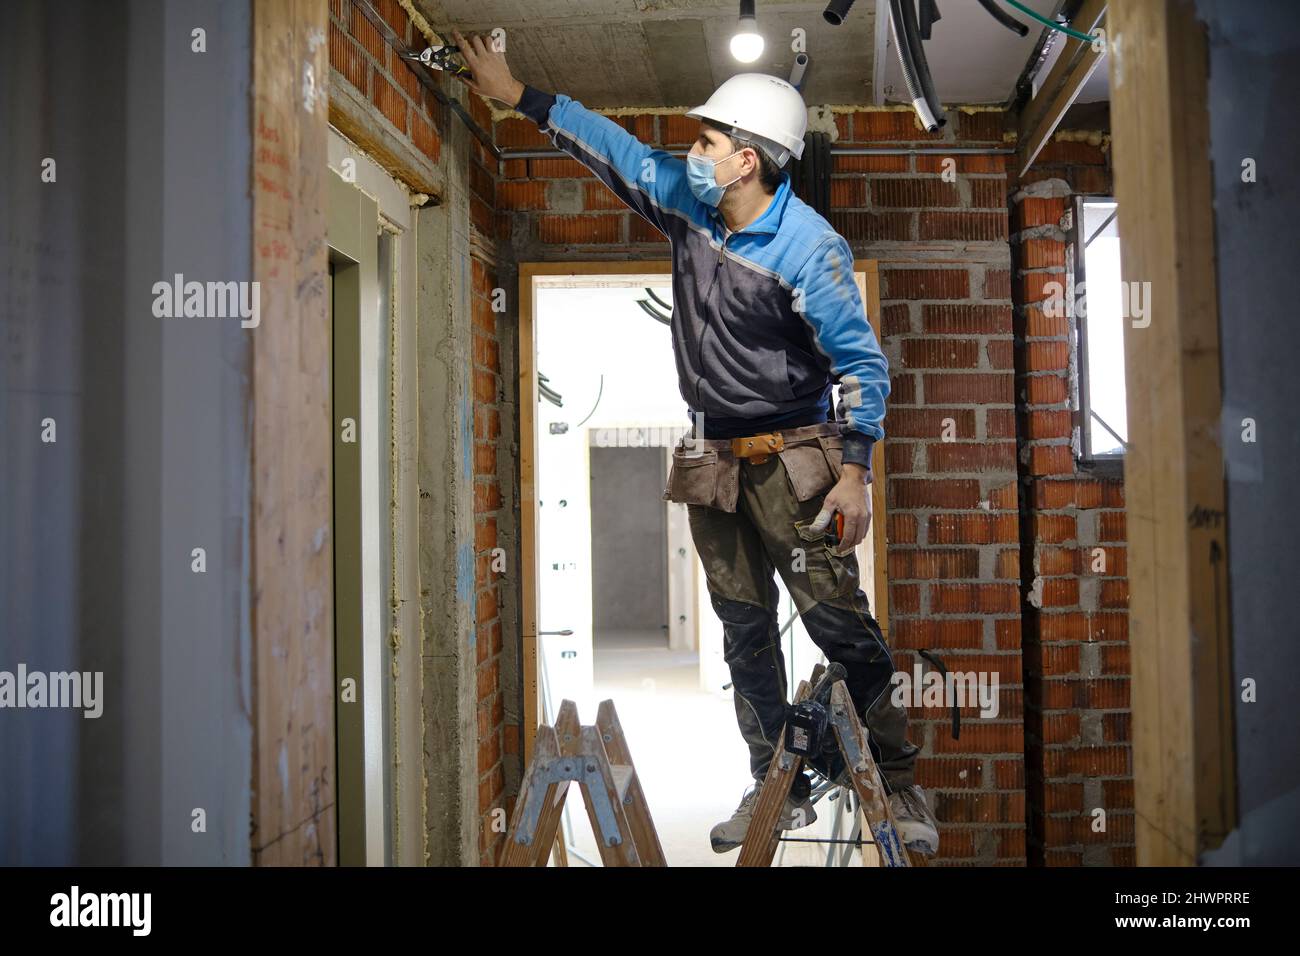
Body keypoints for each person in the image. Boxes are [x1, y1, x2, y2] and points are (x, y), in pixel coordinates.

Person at [451, 30, 939, 857]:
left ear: (747, 160)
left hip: (795, 458)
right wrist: (520, 96)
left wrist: (855, 472)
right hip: (712, 459)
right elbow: (615, 150)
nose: (692, 151)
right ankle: (774, 784)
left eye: (708, 141)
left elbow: (861, 366)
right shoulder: (690, 203)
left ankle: (895, 780)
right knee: (744, 628)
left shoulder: (807, 248)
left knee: (840, 626)